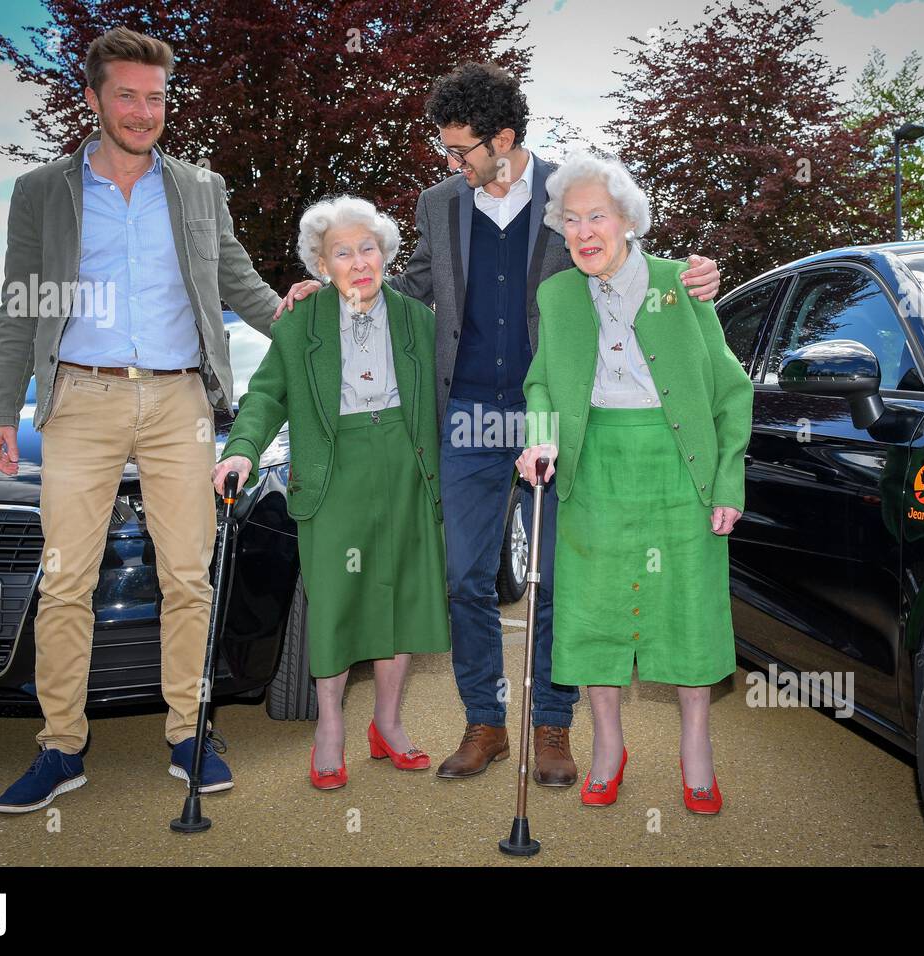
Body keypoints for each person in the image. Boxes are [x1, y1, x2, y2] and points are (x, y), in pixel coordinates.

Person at [279, 63, 722, 786]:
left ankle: (552, 725)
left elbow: (619, 256)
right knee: (463, 576)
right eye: (447, 152)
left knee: (555, 580)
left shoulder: (565, 197)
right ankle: (484, 722)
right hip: (467, 415)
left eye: (462, 150)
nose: (452, 163)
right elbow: (417, 283)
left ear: (505, 139)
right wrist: (336, 282)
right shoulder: (438, 204)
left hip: (556, 412)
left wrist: (695, 275)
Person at [0, 28, 286, 813]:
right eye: (127, 95)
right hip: (80, 400)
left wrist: (302, 324)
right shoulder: (42, 192)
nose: (144, 111)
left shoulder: (198, 186)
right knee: (65, 580)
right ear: (93, 98)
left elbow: (240, 281)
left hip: (182, 400)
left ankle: (188, 732)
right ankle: (60, 748)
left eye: (155, 97)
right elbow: (21, 305)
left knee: (189, 574)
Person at [516, 150, 754, 813]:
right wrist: (540, 436)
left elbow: (733, 393)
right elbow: (540, 381)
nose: (584, 231)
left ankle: (696, 748)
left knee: (690, 613)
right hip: (594, 468)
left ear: (628, 220)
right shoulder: (557, 294)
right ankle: (608, 747)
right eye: (571, 219)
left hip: (682, 470)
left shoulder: (683, 284)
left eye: (597, 215)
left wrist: (729, 481)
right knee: (592, 613)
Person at [214, 196, 450, 790]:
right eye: (342, 252)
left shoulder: (417, 318)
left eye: (368, 247)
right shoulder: (300, 324)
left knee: (399, 602)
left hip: (405, 462)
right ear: (322, 264)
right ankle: (330, 729)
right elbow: (267, 395)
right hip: (332, 467)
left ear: (386, 254)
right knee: (337, 602)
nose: (359, 261)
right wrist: (240, 449)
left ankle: (388, 726)